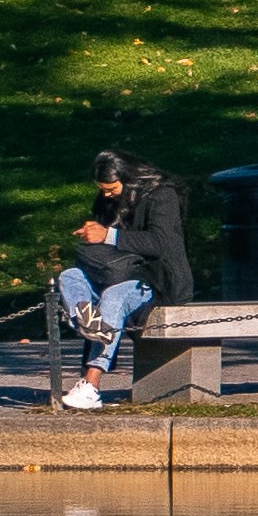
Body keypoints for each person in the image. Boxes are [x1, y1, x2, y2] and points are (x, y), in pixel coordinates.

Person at [55, 146, 192, 409]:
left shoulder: (162, 195)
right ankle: (90, 321)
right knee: (69, 276)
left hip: (153, 281)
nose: (105, 194)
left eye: (110, 189)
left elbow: (160, 243)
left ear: (128, 177)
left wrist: (107, 235)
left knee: (113, 297)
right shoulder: (109, 198)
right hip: (114, 273)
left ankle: (91, 385)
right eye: (101, 189)